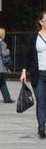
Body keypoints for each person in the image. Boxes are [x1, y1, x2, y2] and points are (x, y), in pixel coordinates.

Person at [17, 8, 46, 139]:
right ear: (40, 22)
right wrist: (24, 72)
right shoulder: (34, 37)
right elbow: (27, 56)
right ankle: (41, 126)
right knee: (41, 99)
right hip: (38, 74)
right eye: (45, 20)